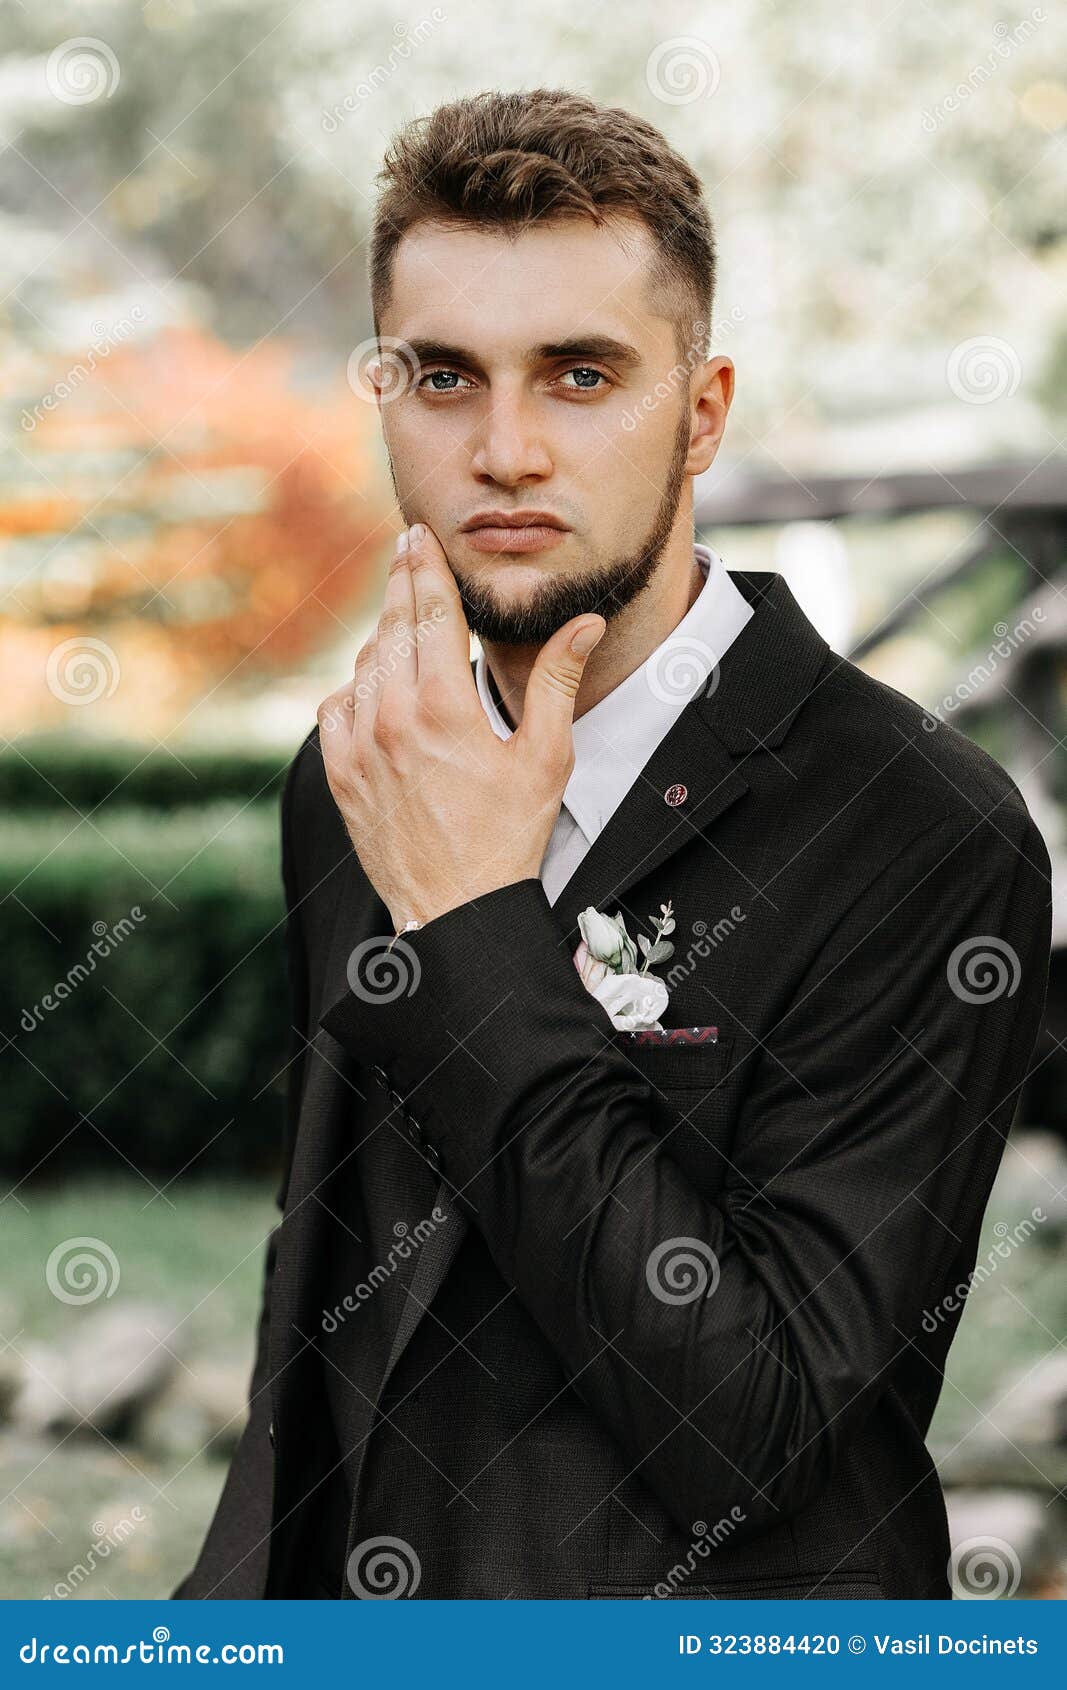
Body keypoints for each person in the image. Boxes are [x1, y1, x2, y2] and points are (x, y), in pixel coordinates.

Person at [174, 88, 1051, 1602]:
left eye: (581, 375)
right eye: (445, 376)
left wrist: (477, 925)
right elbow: (327, 1285)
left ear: (702, 411)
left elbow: (756, 1424)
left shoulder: (926, 837)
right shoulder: (358, 774)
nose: (505, 448)